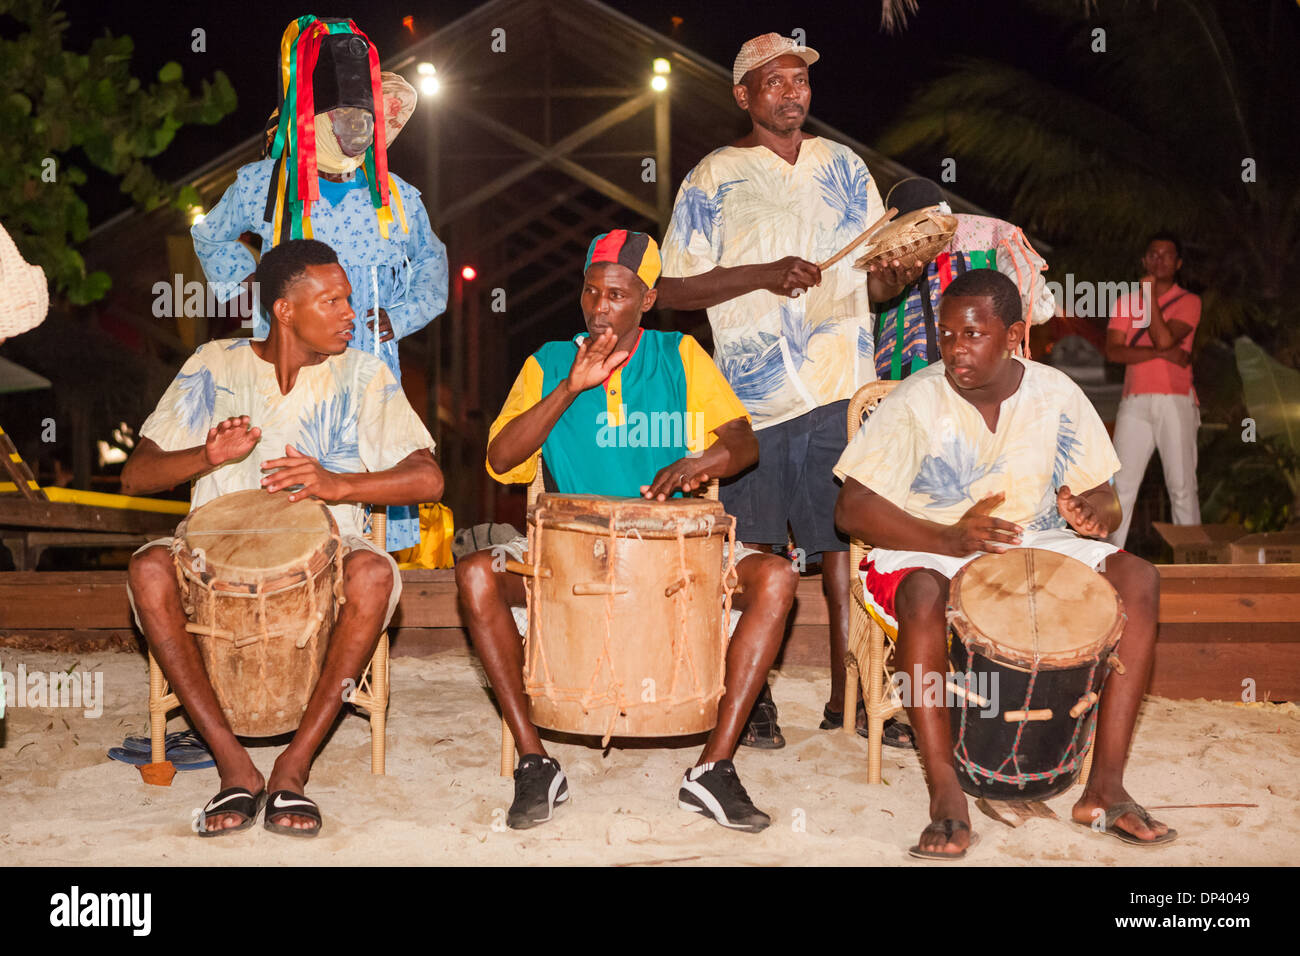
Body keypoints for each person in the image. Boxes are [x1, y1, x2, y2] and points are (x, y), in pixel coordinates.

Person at [456, 229, 798, 832]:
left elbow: (743, 444)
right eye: (591, 292)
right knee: (477, 573)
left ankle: (714, 768)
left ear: (648, 299)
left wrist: (698, 464)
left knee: (775, 577)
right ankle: (535, 760)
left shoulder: (681, 356)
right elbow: (502, 460)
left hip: (681, 552)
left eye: (617, 294)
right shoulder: (548, 363)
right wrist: (569, 389)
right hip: (569, 552)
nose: (599, 307)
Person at [834, 269, 1175, 859]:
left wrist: (1091, 512)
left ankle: (1105, 788)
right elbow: (852, 510)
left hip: (1035, 539)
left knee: (1140, 578)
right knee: (921, 596)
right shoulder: (918, 398)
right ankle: (946, 794)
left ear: (1015, 334)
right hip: (922, 543)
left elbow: (1106, 496)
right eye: (946, 335)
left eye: (972, 335)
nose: (955, 349)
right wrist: (946, 538)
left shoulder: (1057, 393)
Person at [121, 239, 442, 838]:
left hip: (331, 553)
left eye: (348, 299)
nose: (351, 311)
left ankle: (294, 766)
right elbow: (136, 475)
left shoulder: (364, 375)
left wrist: (337, 484)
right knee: (147, 569)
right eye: (334, 300)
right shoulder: (214, 364)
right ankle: (233, 765)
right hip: (208, 561)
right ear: (284, 310)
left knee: (374, 574)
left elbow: (429, 477)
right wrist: (207, 453)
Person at [657, 33, 923, 747]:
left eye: (799, 79)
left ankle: (853, 694)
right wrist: (760, 273)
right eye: (773, 82)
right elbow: (670, 288)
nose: (792, 92)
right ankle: (756, 694)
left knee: (845, 548)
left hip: (842, 382)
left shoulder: (846, 167)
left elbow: (873, 277)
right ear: (744, 95)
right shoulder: (714, 175)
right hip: (754, 394)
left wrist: (897, 274)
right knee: (757, 547)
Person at [193, 15, 447, 552]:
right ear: (312, 120)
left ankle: (366, 596)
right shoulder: (265, 185)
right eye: (343, 114)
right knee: (279, 502)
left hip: (369, 368)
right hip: (284, 367)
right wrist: (250, 294)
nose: (358, 126)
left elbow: (432, 266)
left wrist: (398, 320)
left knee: (363, 510)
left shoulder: (399, 197)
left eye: (364, 115)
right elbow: (211, 238)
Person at [871, 177, 1055, 381]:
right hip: (975, 372)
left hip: (899, 376)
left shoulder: (885, 259)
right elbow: (1037, 307)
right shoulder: (990, 236)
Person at [1105, 232, 1201, 547]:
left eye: (1167, 255)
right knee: (1121, 485)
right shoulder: (1124, 302)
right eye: (1153, 254)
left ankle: (1193, 563)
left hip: (1175, 399)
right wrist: (1167, 354)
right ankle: (1108, 560)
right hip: (1134, 401)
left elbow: (1163, 337)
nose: (1159, 260)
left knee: (1182, 484)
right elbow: (1114, 352)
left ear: (1178, 263)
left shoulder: (1189, 302)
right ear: (1145, 260)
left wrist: (1148, 297)